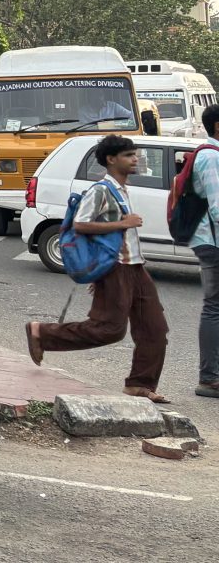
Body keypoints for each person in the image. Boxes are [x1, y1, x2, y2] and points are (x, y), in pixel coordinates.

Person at [25, 135, 170, 403]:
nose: (135, 159)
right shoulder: (100, 190)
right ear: (111, 160)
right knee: (110, 329)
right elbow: (80, 224)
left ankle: (139, 384)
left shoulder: (122, 189)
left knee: (155, 329)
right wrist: (122, 224)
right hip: (117, 267)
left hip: (136, 267)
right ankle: (41, 333)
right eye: (128, 155)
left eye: (134, 154)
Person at [189, 105, 219, 399]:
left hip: (210, 239)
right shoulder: (210, 157)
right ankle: (209, 379)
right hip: (212, 242)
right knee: (214, 307)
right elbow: (218, 207)